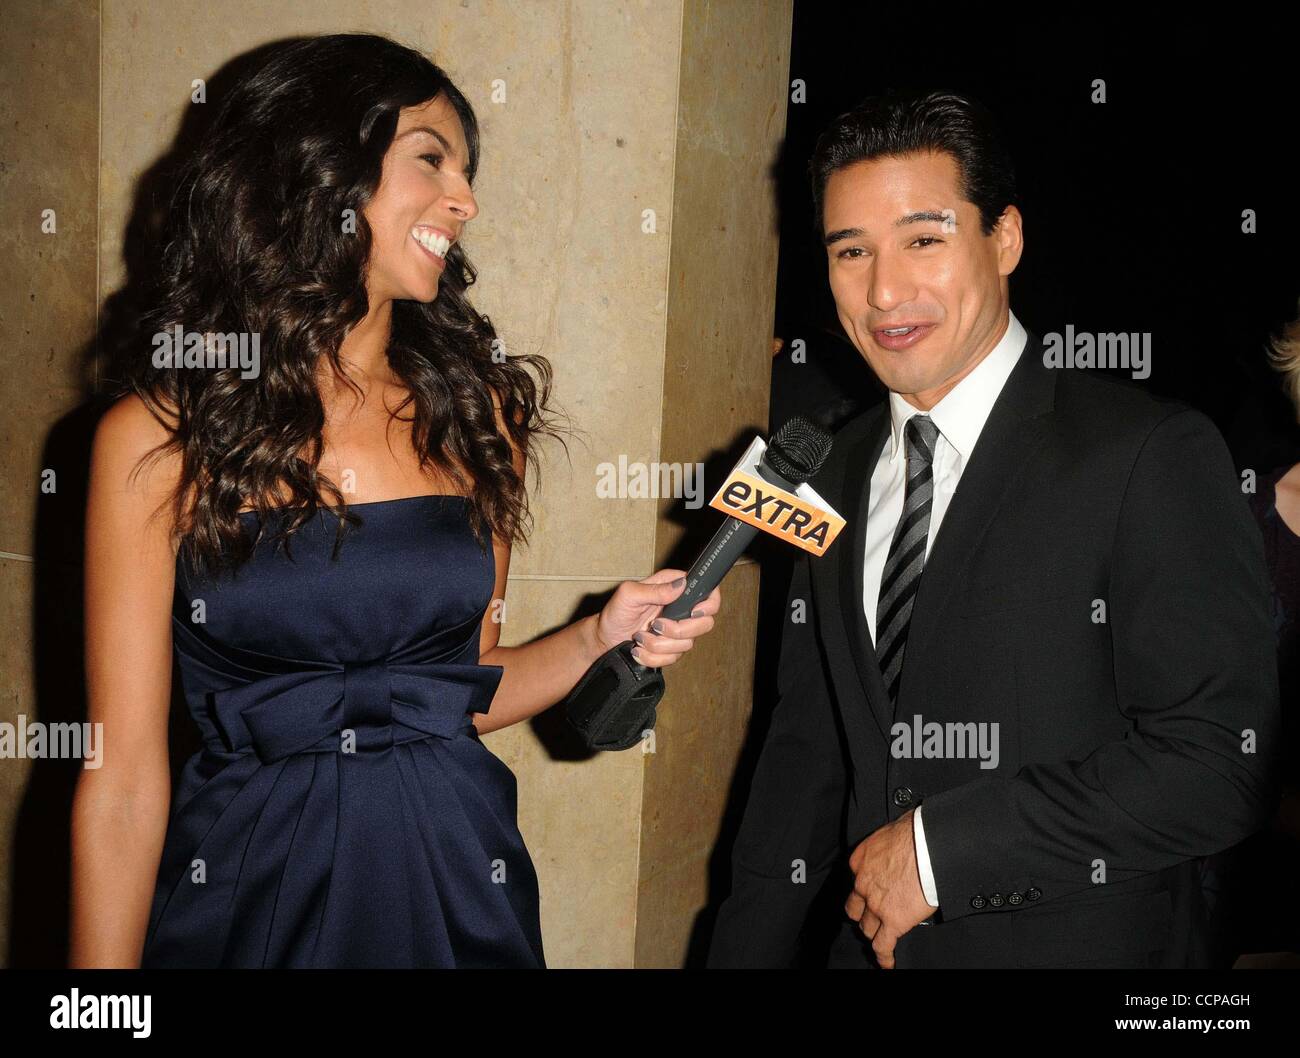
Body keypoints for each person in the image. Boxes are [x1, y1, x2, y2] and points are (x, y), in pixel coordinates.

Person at [70, 33, 720, 969]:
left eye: (466, 170)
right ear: (320, 170)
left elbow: (463, 688)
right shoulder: (153, 439)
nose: (467, 200)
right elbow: (122, 779)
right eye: (431, 160)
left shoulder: (480, 411)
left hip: (454, 877)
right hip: (247, 891)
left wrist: (597, 636)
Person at [708, 88, 1279, 969]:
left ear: (1004, 238)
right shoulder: (825, 469)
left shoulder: (1147, 455)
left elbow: (1217, 765)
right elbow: (805, 759)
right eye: (850, 251)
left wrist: (940, 853)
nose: (885, 290)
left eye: (923, 241)